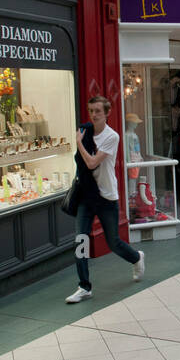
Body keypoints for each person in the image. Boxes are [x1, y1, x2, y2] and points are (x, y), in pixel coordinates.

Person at [66, 95, 144, 303]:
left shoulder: (112, 136)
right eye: (91, 111)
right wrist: (81, 142)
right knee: (81, 240)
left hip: (106, 197)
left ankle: (136, 257)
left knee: (113, 242)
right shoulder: (86, 131)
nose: (93, 115)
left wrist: (79, 144)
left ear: (107, 113)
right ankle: (84, 286)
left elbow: (92, 163)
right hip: (86, 196)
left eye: (98, 111)